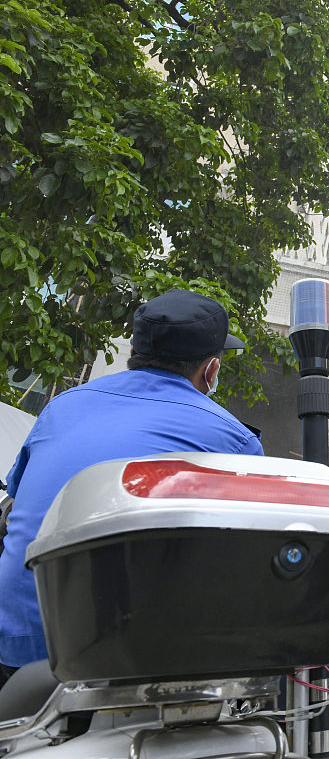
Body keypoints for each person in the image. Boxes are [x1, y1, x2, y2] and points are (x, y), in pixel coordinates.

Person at [0, 289, 264, 684]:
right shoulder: (235, 440)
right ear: (211, 371)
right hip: (114, 663)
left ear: (134, 352)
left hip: (10, 638)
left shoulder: (62, 407)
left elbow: (15, 507)